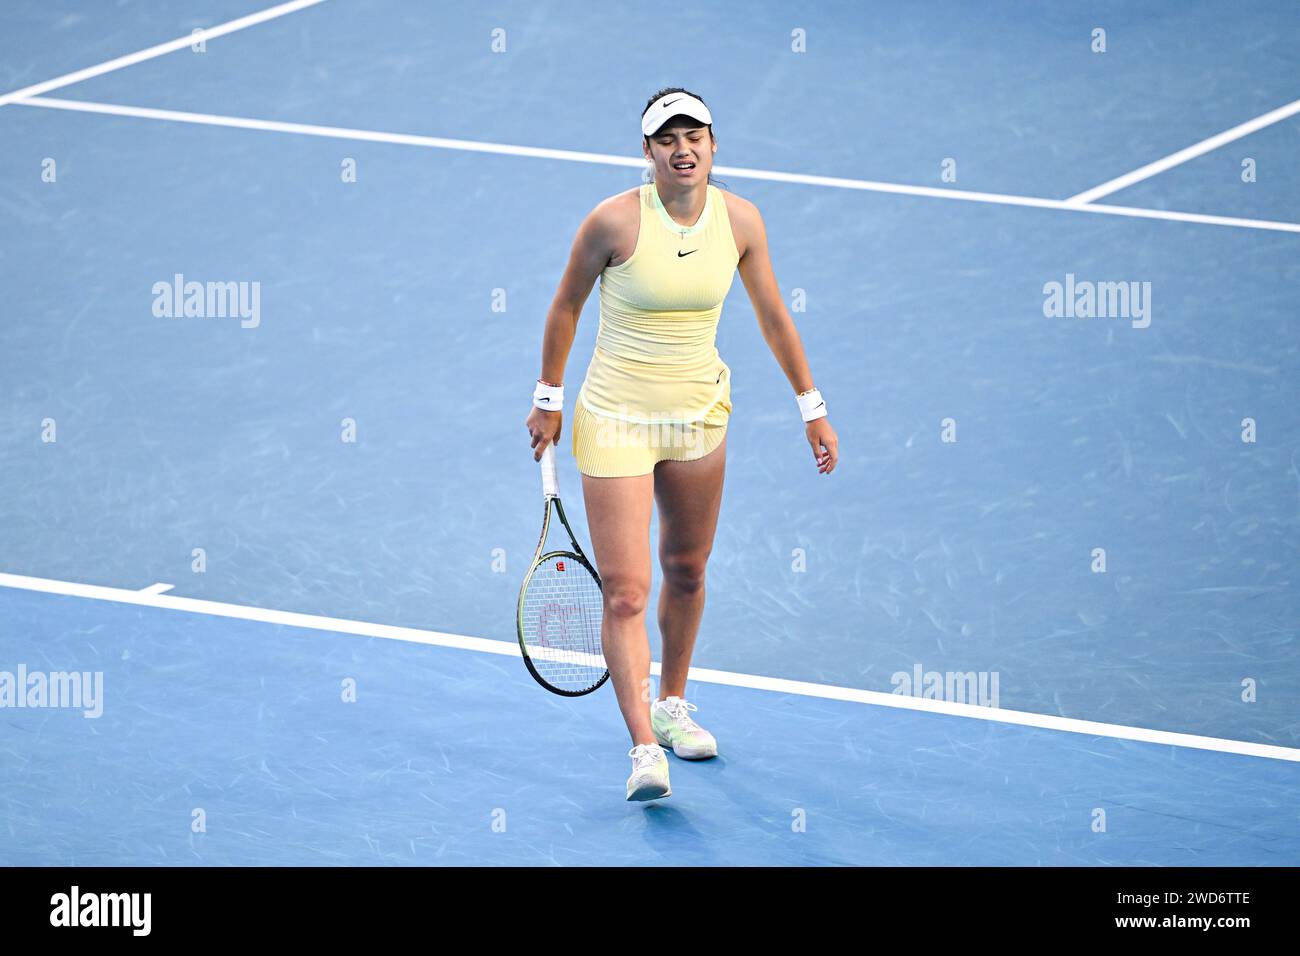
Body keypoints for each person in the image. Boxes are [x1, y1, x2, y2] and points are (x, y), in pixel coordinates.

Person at [525, 87, 838, 801]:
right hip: (616, 421)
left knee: (688, 570)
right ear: (648, 153)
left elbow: (773, 317)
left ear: (714, 143)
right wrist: (548, 399)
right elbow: (565, 307)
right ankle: (643, 749)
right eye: (667, 139)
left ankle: (671, 706)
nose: (682, 148)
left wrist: (811, 408)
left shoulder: (743, 222)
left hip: (698, 417)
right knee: (629, 593)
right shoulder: (612, 223)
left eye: (693, 134)